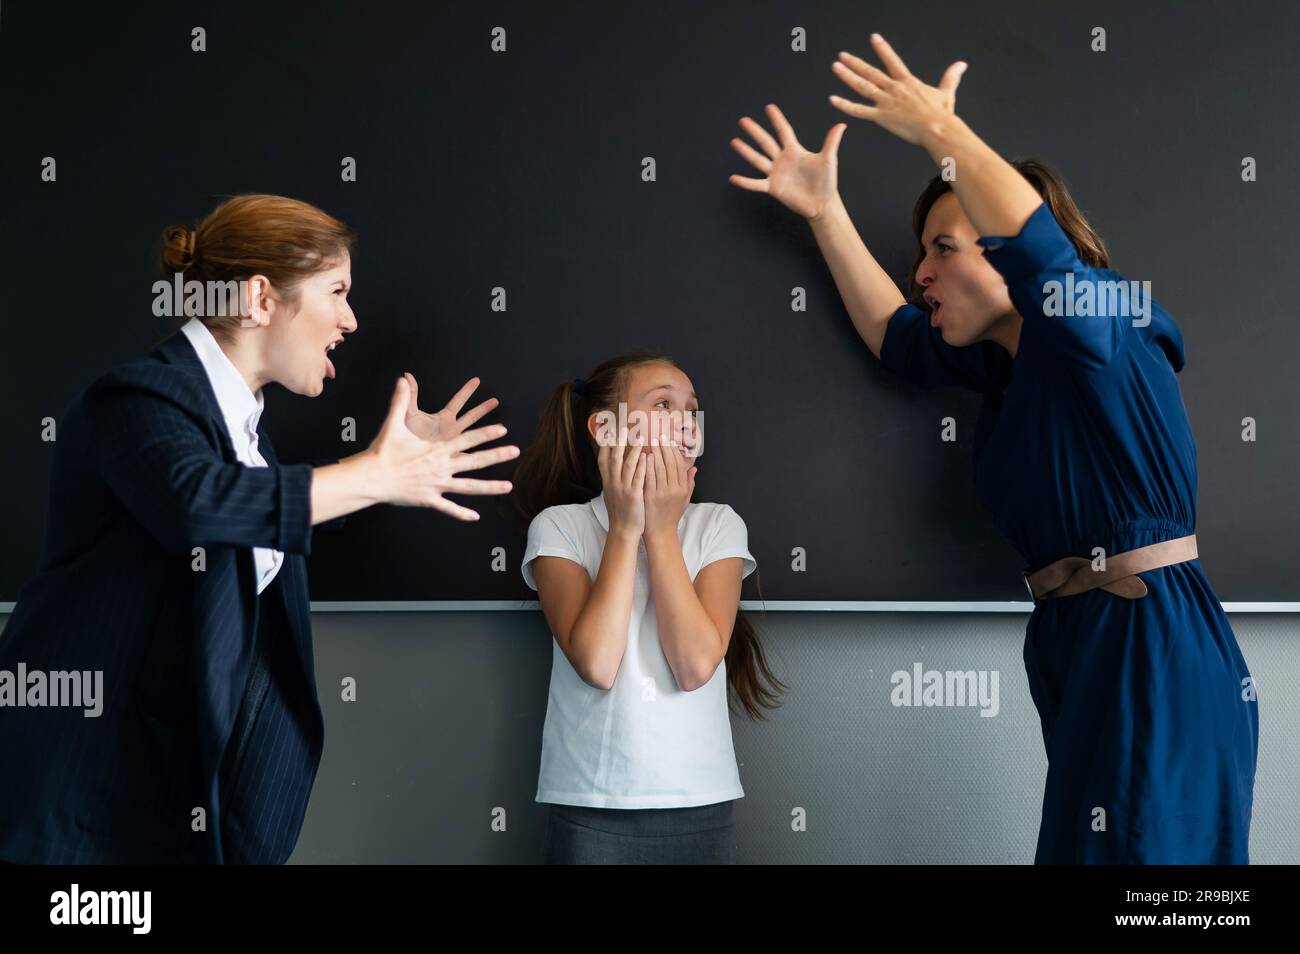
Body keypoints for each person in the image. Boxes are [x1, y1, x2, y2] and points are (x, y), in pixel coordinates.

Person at [727, 33, 1257, 863]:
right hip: (1078, 648)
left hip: (1150, 648)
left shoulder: (1100, 325)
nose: (920, 274)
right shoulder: (1006, 368)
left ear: (1007, 255)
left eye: (943, 248)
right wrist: (826, 214)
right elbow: (896, 338)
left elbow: (1045, 256)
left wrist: (945, 134)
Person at [0, 194, 519, 863]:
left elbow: (251, 508)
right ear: (262, 300)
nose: (350, 319)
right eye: (336, 292)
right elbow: (201, 505)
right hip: (76, 811)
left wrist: (392, 471)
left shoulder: (251, 446)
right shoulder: (134, 400)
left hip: (171, 805)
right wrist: (376, 474)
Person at [510, 354, 785, 863]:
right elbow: (596, 663)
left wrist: (661, 529)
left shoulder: (717, 525)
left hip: (699, 798)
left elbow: (695, 665)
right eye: (663, 404)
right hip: (590, 801)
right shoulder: (560, 528)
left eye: (692, 410)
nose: (686, 421)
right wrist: (625, 526)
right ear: (604, 428)